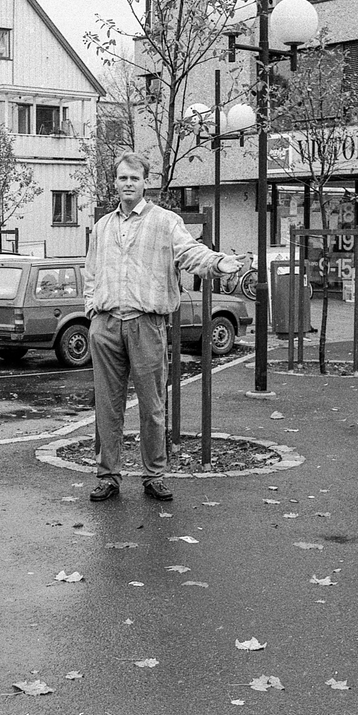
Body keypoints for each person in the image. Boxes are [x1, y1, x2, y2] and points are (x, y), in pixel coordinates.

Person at [83, 152, 240, 502]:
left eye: (134, 178)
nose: (128, 184)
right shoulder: (103, 226)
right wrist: (92, 311)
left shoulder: (166, 222)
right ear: (115, 182)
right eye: (122, 178)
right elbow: (91, 272)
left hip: (147, 324)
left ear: (145, 182)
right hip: (106, 326)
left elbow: (190, 253)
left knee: (152, 406)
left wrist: (218, 263)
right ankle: (108, 476)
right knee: (107, 407)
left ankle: (154, 474)